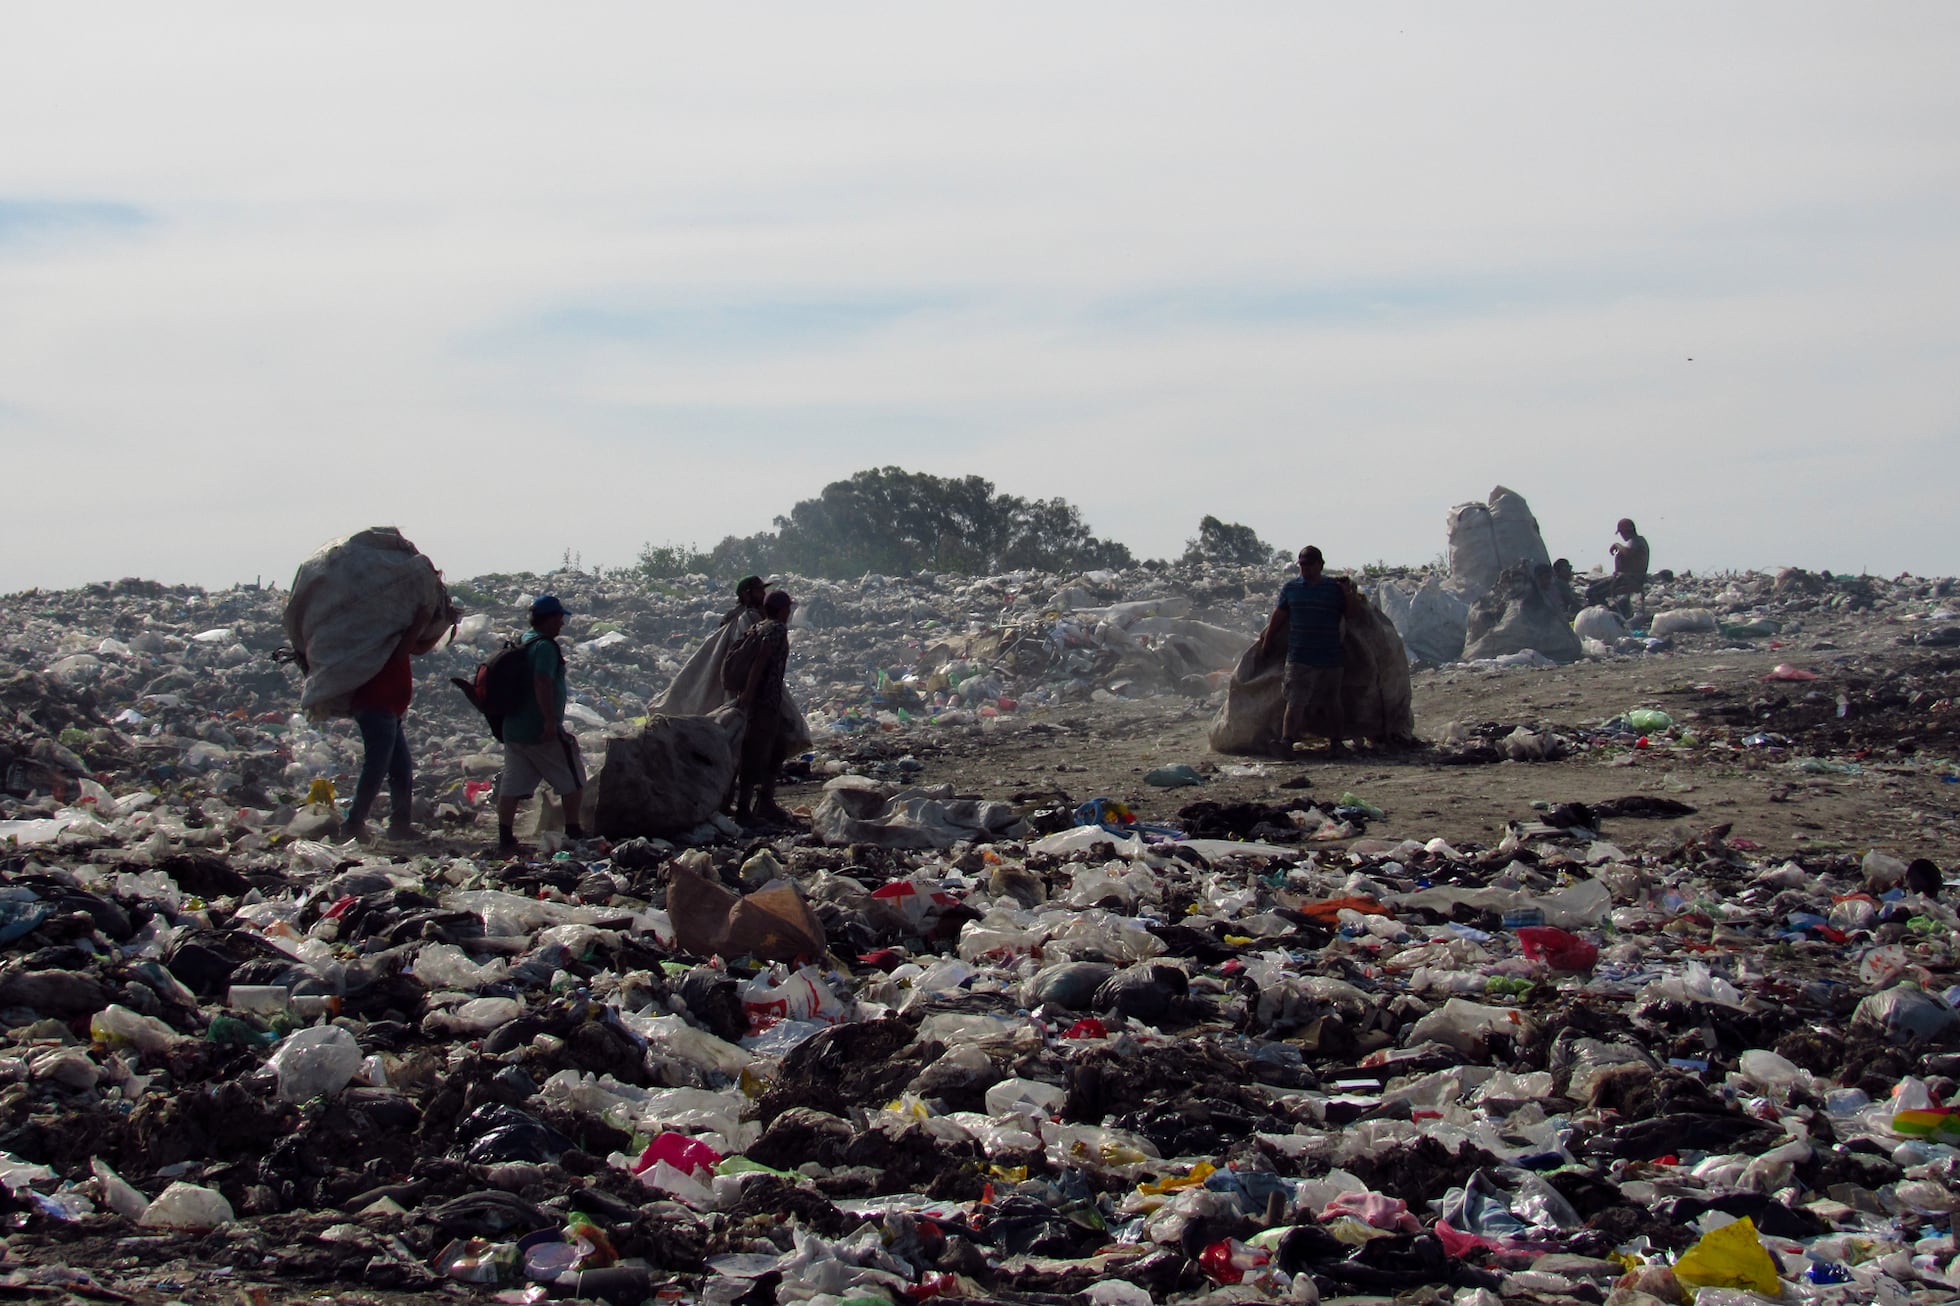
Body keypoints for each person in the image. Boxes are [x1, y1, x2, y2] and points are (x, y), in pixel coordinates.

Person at [494, 594, 588, 853]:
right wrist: (549, 721)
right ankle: (573, 830)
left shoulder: (522, 641)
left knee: (513, 783)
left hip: (513, 728)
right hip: (538, 729)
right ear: (549, 619)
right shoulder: (545, 647)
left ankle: (505, 836)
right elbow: (542, 681)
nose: (562, 623)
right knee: (573, 776)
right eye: (559, 618)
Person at [344, 603, 445, 842]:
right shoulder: (376, 634)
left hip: (389, 710)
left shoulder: (397, 634)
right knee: (377, 766)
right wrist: (420, 621)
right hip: (375, 705)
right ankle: (353, 823)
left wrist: (443, 625)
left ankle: (399, 825)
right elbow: (400, 652)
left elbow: (417, 648)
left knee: (401, 767)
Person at [1255, 546, 1363, 759]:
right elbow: (1279, 616)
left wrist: (1347, 592)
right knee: (1295, 702)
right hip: (1300, 656)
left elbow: (1352, 614)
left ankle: (1336, 743)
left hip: (1330, 656)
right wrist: (1267, 642)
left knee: (1333, 702)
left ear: (1320, 565)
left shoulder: (1334, 589)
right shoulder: (1292, 588)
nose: (1305, 569)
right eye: (1302, 565)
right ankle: (1287, 742)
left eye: (1309, 565)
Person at [732, 589, 796, 826]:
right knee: (754, 754)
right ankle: (743, 810)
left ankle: (765, 802)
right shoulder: (776, 629)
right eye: (788, 608)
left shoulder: (758, 626)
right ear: (782, 610)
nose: (789, 612)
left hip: (768, 703)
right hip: (763, 703)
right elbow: (761, 660)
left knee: (778, 748)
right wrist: (749, 694)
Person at [1586, 518, 1650, 614]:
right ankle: (1611, 610)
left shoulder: (1636, 541)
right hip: (1626, 578)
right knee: (1593, 585)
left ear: (1625, 531)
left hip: (1628, 579)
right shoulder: (1637, 541)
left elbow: (1628, 553)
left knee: (1592, 592)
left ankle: (1605, 614)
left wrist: (1617, 545)